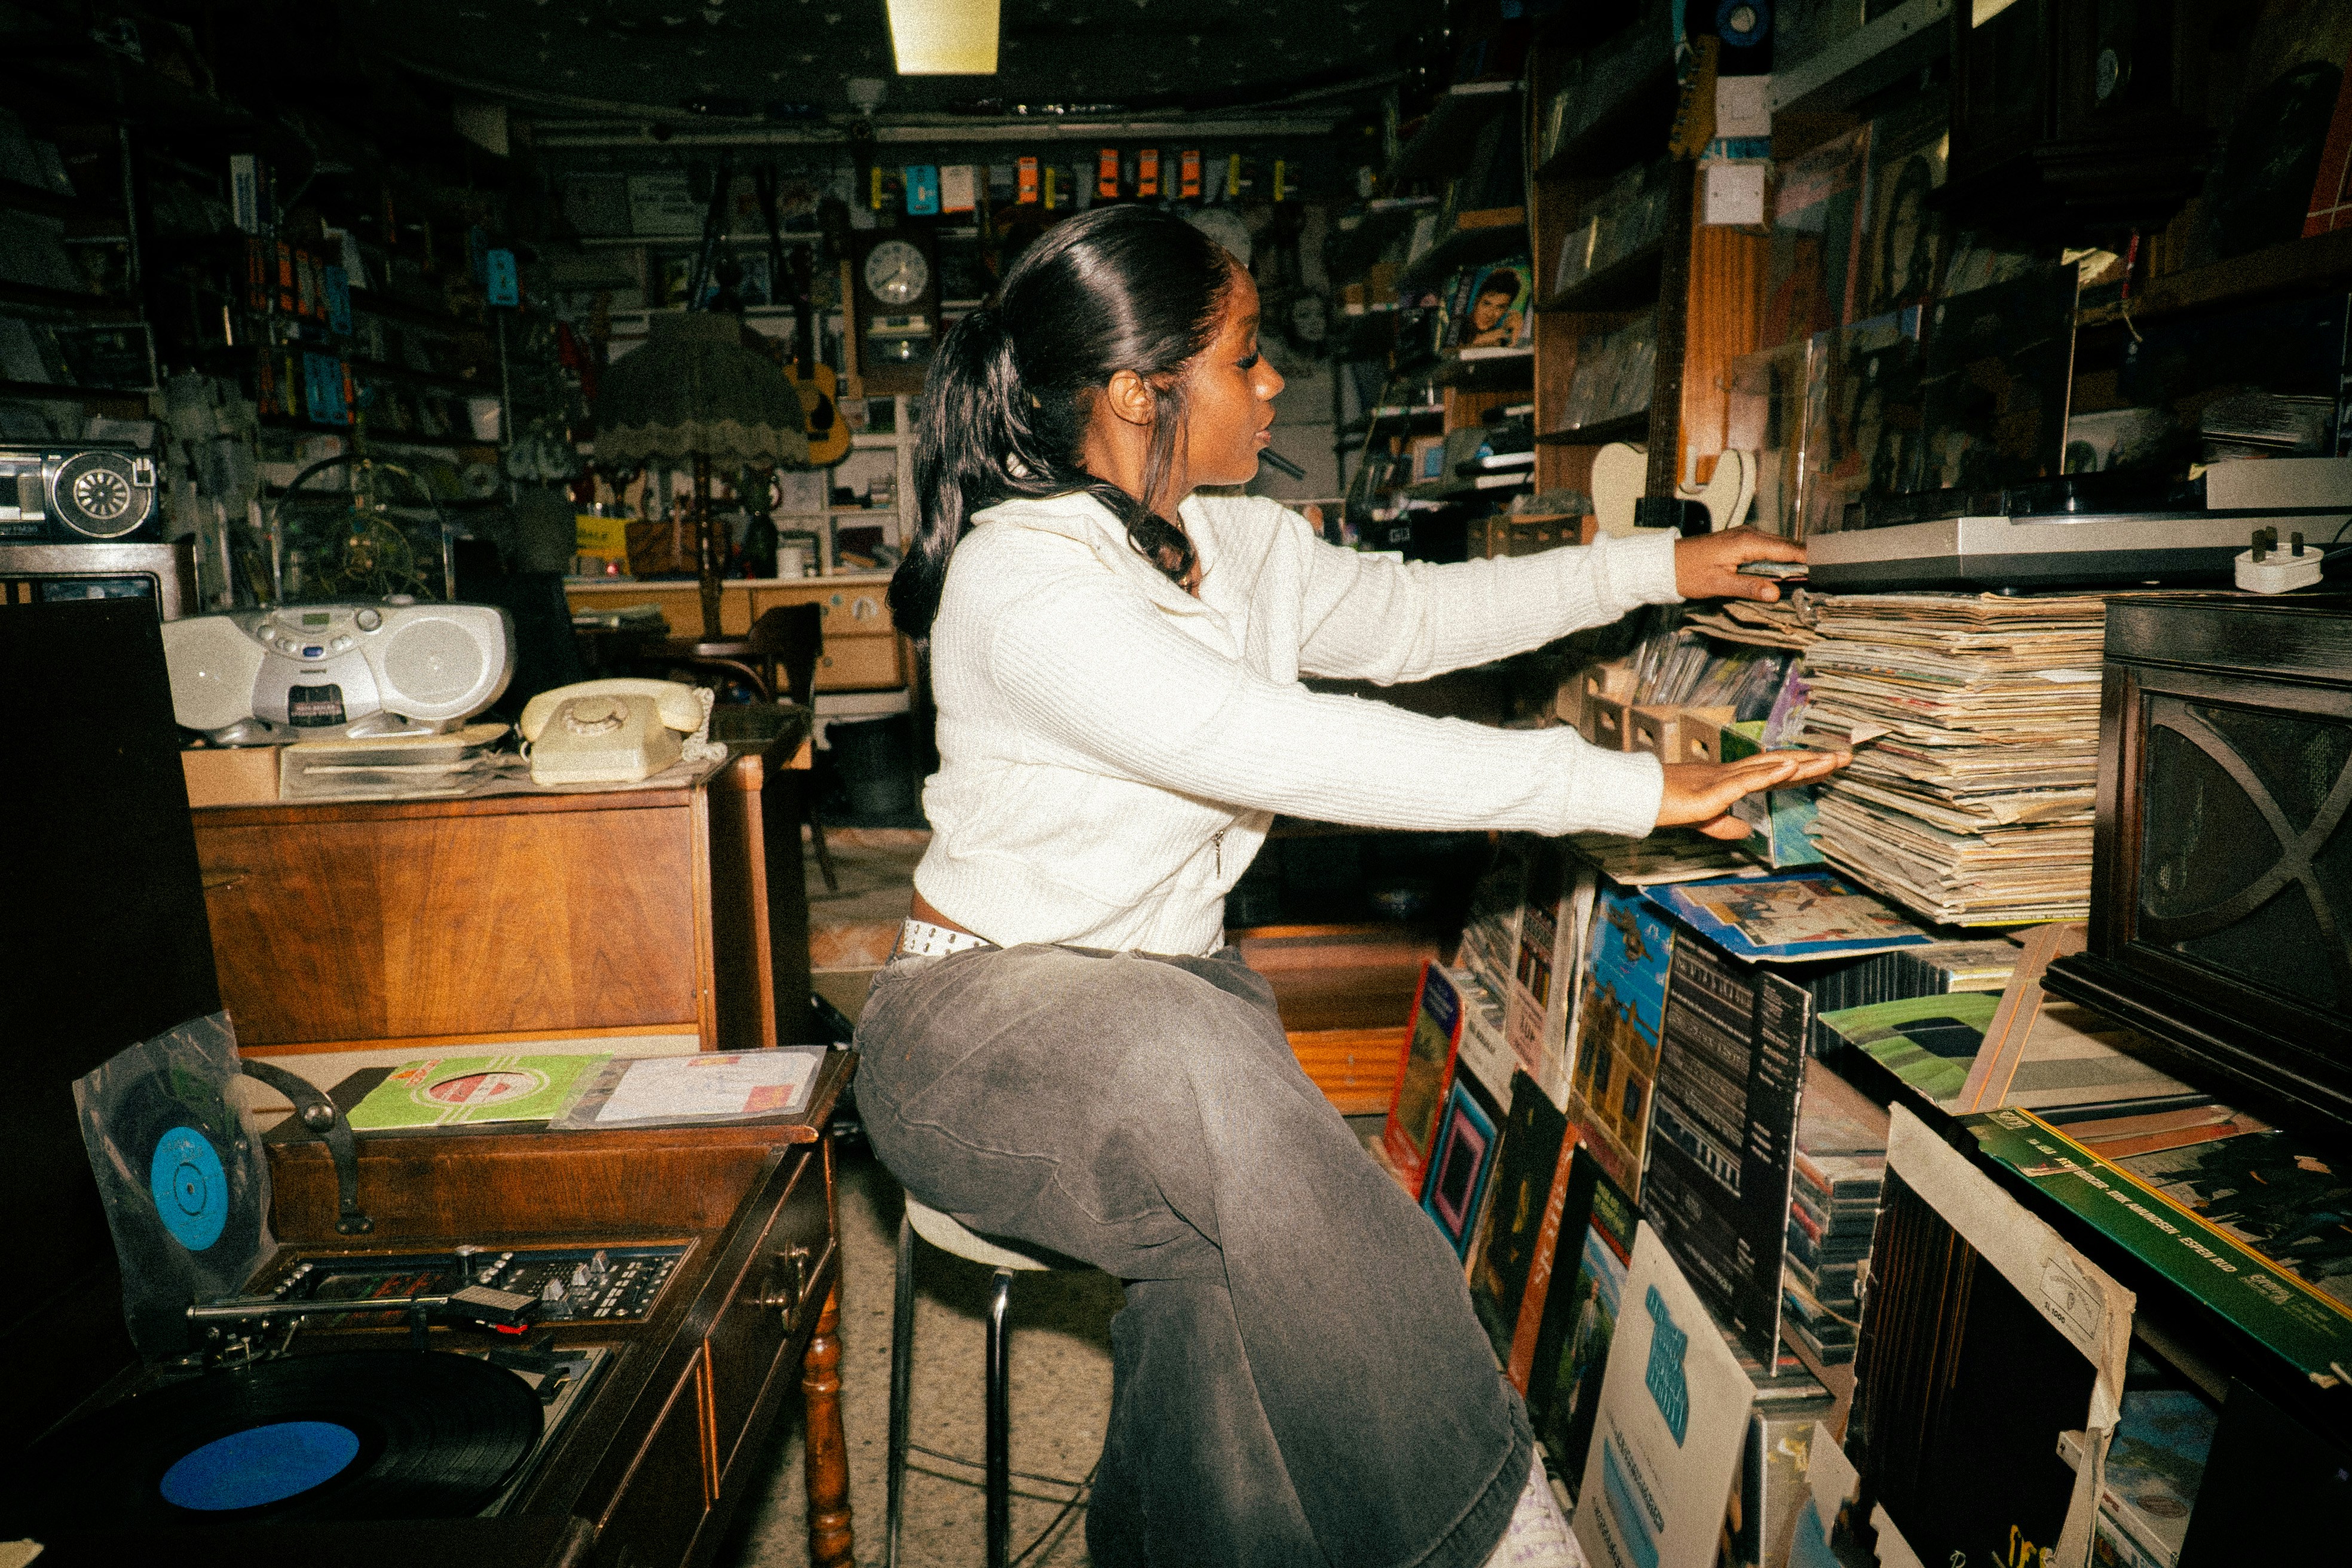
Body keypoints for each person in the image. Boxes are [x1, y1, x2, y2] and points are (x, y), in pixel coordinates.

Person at [858, 204, 1845, 1568]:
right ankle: (1504, 1534)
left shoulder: (1234, 541)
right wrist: (1620, 788)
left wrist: (1656, 567)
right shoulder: (1018, 583)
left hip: (1171, 1021)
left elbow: (1419, 615)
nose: (1274, 384)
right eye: (1247, 357)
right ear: (1146, 393)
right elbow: (1274, 742)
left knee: (1241, 1272)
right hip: (978, 1029)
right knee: (1211, 1065)